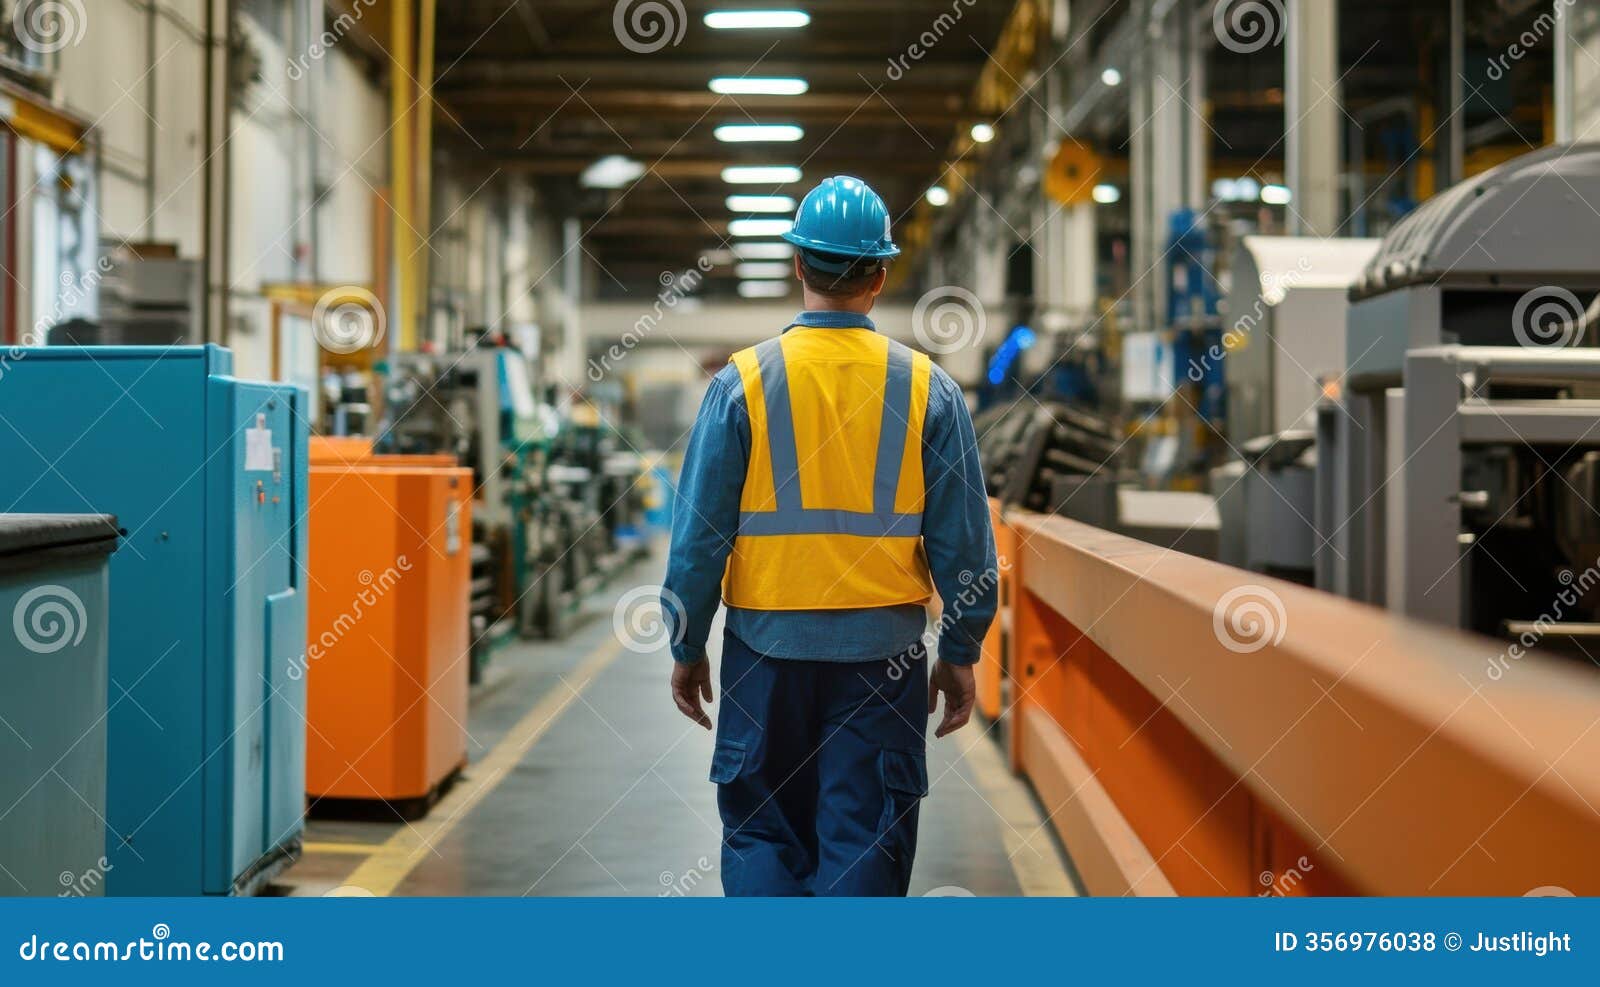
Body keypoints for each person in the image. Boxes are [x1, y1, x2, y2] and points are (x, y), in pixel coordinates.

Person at [662, 175, 996, 897]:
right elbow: (967, 547)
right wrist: (962, 651)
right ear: (880, 274)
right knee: (867, 835)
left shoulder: (741, 384)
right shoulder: (928, 387)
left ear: (797, 266)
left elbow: (697, 540)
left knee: (762, 830)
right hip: (885, 663)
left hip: (764, 653)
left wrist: (687, 644)